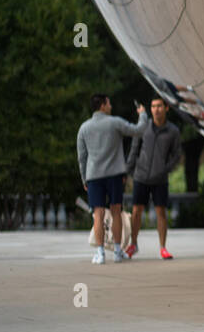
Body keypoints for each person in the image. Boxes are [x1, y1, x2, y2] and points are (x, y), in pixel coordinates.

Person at [76, 96, 149, 265]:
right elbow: (139, 130)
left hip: (94, 176)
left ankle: (100, 253)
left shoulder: (84, 128)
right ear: (102, 105)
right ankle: (117, 251)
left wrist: (84, 178)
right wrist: (143, 114)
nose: (111, 106)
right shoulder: (115, 122)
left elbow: (82, 157)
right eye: (108, 103)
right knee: (116, 211)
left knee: (98, 214)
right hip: (115, 175)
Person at [125, 97, 182, 260]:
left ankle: (163, 248)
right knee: (136, 212)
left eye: (159, 106)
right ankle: (133, 244)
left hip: (160, 179)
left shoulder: (173, 131)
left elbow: (177, 155)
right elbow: (134, 149)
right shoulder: (144, 128)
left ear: (166, 108)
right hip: (141, 176)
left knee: (161, 212)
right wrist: (128, 171)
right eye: (153, 106)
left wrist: (165, 169)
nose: (156, 109)